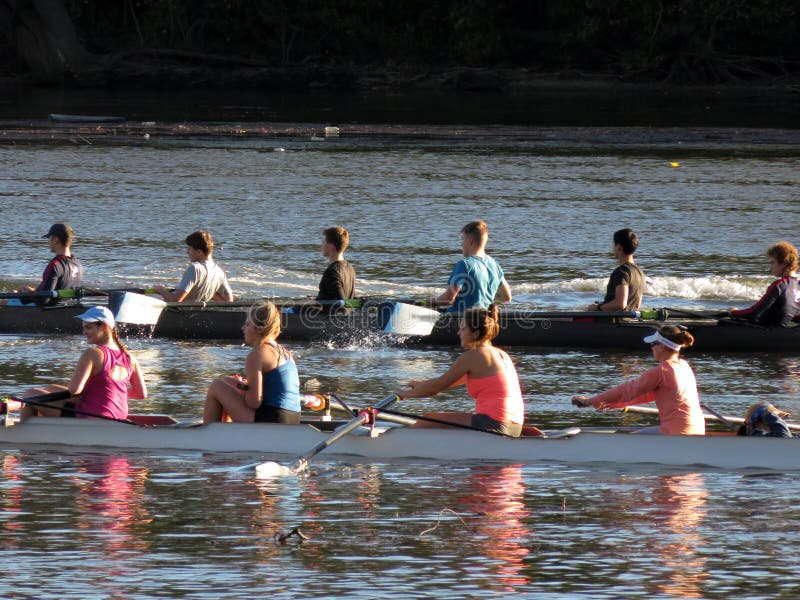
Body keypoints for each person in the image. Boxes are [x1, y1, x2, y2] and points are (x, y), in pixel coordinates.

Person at [398, 304, 525, 437]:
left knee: (428, 419)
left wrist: (404, 394)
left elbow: (435, 388)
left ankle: (397, 445)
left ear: (475, 333)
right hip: (515, 427)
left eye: (463, 329)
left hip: (494, 424)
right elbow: (445, 383)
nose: (458, 333)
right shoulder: (500, 354)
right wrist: (420, 385)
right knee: (437, 421)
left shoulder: (474, 356)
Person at [19, 306, 147, 421]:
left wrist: (99, 394)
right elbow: (141, 394)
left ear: (105, 327)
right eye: (84, 327)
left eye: (88, 327)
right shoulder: (130, 357)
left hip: (94, 416)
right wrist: (109, 394)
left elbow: (75, 390)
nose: (84, 332)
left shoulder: (93, 353)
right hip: (119, 415)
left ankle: (23, 436)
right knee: (51, 389)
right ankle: (46, 429)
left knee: (31, 394)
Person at [572, 325, 705, 435]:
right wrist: (612, 404)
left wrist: (589, 401)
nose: (651, 348)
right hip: (697, 430)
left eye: (653, 344)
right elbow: (647, 395)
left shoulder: (661, 371)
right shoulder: (685, 367)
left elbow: (626, 390)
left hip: (676, 432)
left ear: (662, 347)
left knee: (626, 440)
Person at [203, 300, 301, 424]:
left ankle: (208, 436)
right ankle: (224, 432)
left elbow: (254, 402)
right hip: (293, 419)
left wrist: (242, 389)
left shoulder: (257, 354)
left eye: (247, 324)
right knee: (225, 382)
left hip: (273, 419)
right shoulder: (285, 352)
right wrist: (239, 384)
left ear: (259, 329)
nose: (243, 328)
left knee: (216, 386)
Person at [431, 220, 512, 313]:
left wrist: (429, 301)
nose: (461, 244)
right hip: (483, 318)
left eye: (463, 239)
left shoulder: (464, 264)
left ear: (470, 241)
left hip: (460, 320)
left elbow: (448, 299)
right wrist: (484, 303)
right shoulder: (495, 265)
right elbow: (506, 297)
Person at [729, 241, 799, 326]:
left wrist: (734, 312)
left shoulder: (780, 284)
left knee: (722, 323)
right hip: (782, 329)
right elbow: (790, 314)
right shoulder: (797, 285)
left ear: (784, 263)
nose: (771, 267)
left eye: (772, 262)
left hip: (766, 331)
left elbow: (753, 313)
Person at [154, 230, 233, 303]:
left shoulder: (195, 268)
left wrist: (160, 290)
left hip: (182, 313)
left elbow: (176, 300)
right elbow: (229, 301)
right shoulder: (219, 272)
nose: (187, 252)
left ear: (199, 252)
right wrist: (209, 292)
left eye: (190, 249)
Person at [16, 223, 83, 305]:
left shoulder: (55, 265)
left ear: (55, 239)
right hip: (67, 308)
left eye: (49, 238)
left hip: (47, 311)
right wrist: (33, 291)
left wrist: (24, 295)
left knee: (3, 302)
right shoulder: (78, 264)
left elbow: (43, 300)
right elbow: (57, 289)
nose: (48, 241)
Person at [589, 228, 645, 312]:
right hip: (630, 321)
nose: (613, 248)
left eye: (614, 245)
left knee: (565, 319)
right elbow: (636, 306)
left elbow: (620, 304)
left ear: (619, 247)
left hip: (612, 322)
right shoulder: (639, 272)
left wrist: (598, 307)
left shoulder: (622, 272)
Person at [316, 226, 356, 301]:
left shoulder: (332, 272)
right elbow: (353, 302)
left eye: (323, 242)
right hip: (350, 311)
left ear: (331, 246)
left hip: (332, 312)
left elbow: (341, 302)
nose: (322, 245)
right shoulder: (350, 268)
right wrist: (317, 299)